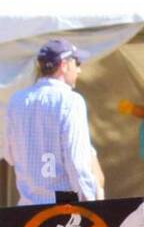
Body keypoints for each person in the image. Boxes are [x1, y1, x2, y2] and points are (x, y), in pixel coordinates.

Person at [4, 39, 100, 205]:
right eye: (76, 63)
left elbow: (9, 155)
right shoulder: (71, 101)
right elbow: (77, 163)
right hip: (66, 213)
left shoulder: (16, 101)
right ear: (64, 65)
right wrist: (92, 203)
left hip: (27, 211)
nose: (79, 69)